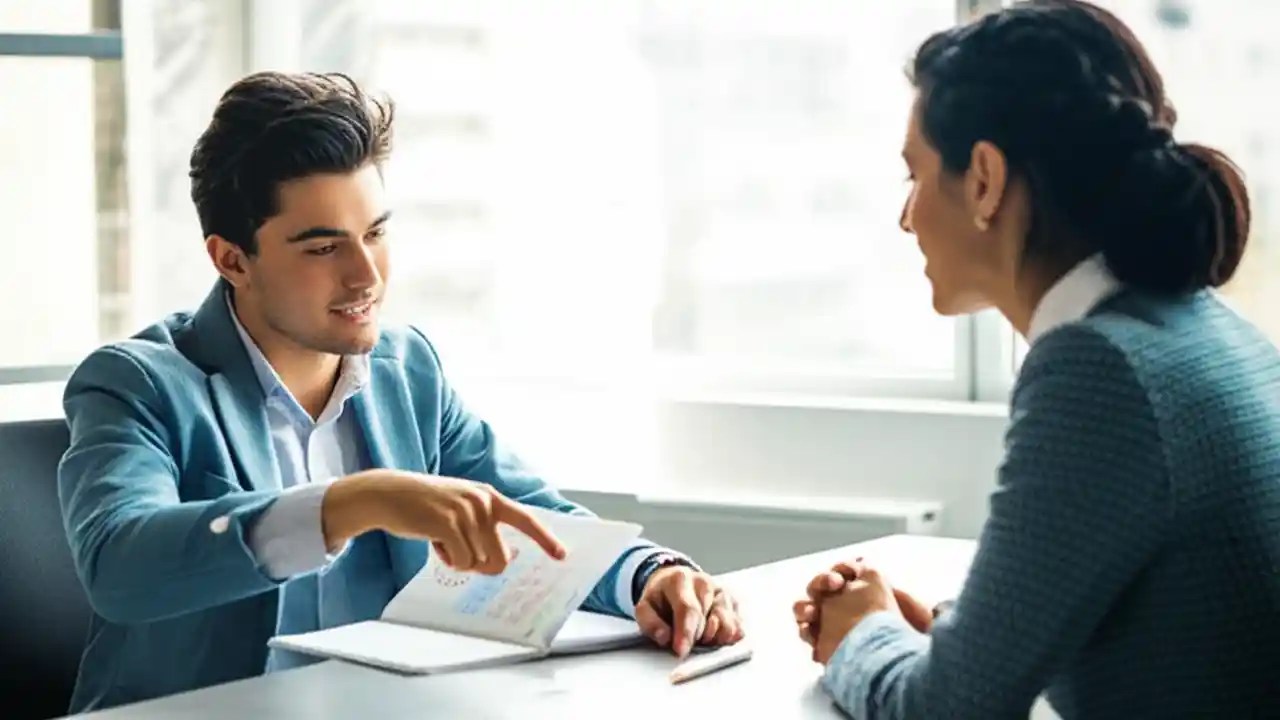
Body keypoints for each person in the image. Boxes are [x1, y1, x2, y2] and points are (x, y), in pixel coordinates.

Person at [58, 71, 742, 713]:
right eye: (324, 249)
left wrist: (649, 574)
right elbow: (121, 564)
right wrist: (348, 504)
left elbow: (527, 517)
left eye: (376, 234)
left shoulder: (407, 370)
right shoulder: (138, 383)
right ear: (232, 258)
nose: (366, 277)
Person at [792, 1, 1280, 717]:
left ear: (984, 179)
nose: (907, 217)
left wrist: (859, 634)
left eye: (915, 177)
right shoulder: (1211, 331)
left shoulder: (1099, 368)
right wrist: (945, 633)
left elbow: (947, 710)